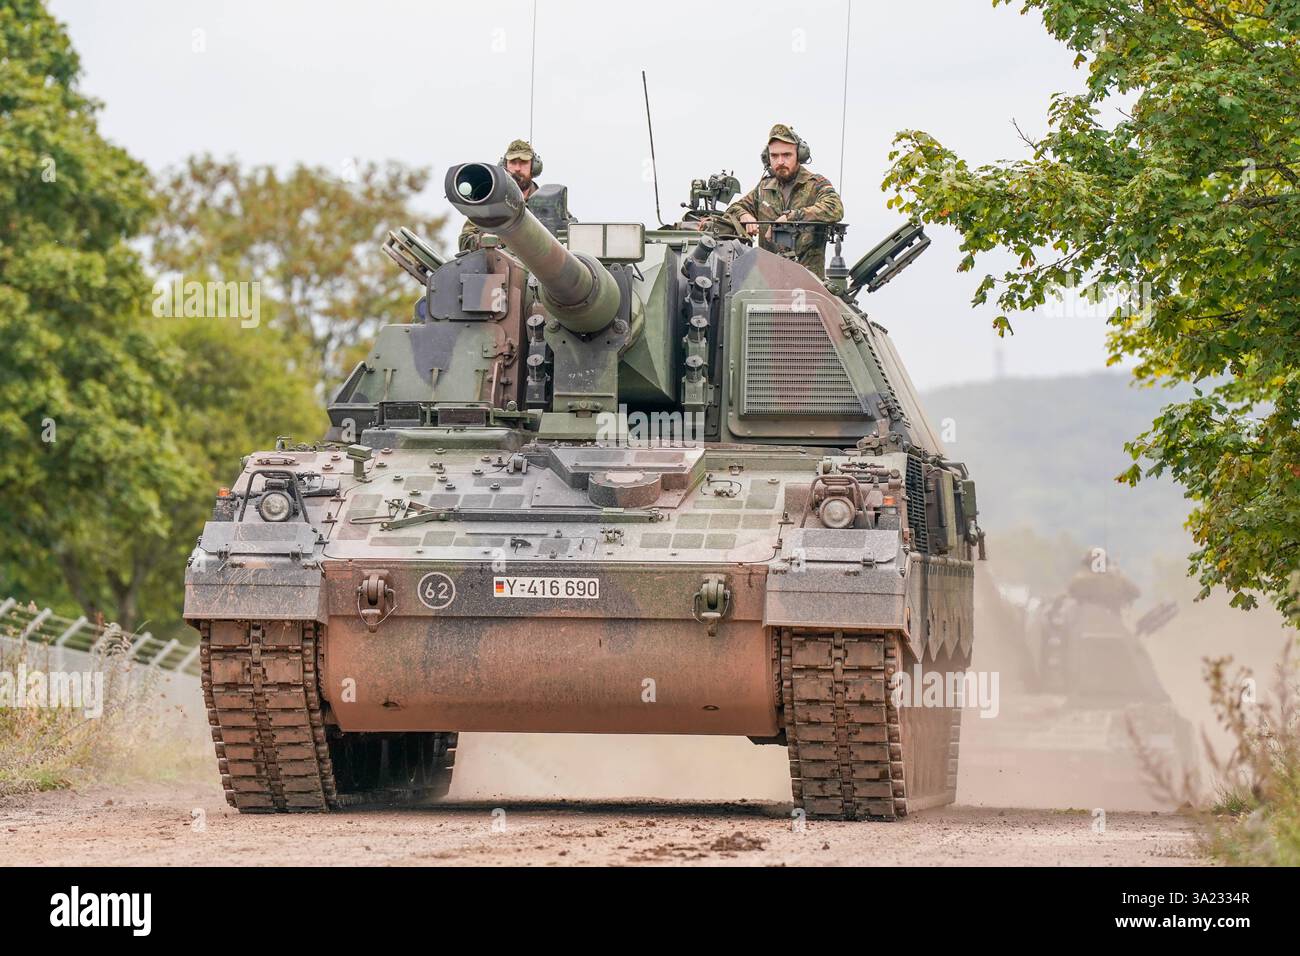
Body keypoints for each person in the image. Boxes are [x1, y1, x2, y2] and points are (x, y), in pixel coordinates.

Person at [723, 124, 844, 278]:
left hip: (808, 286)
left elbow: (835, 207)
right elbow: (734, 208)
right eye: (774, 156)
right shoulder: (764, 189)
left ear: (799, 155)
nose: (780, 161)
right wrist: (743, 214)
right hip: (768, 285)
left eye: (787, 155)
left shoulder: (815, 184)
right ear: (767, 158)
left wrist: (791, 217)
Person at [458, 139, 542, 252]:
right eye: (513, 162)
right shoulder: (489, 202)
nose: (517, 168)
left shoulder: (549, 203)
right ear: (504, 165)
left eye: (523, 162)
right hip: (497, 267)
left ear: (533, 167)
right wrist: (488, 240)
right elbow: (464, 242)